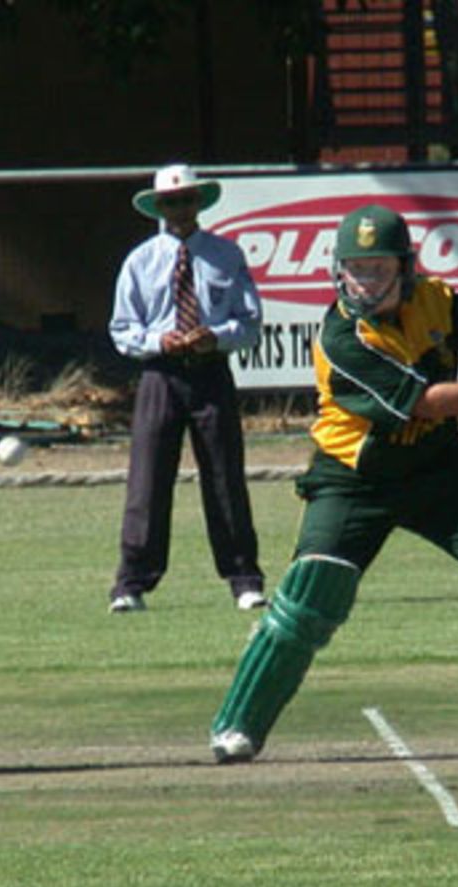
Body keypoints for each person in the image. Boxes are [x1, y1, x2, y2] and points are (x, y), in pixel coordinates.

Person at [209, 204, 458, 762]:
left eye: (378, 269)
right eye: (355, 269)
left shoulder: (434, 298)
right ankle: (238, 724)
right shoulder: (342, 339)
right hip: (356, 479)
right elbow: (426, 402)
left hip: (438, 468)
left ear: (406, 268)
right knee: (311, 594)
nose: (365, 282)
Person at [107, 163, 266, 614]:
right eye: (171, 201)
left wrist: (217, 335)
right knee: (148, 480)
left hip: (211, 372)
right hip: (160, 375)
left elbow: (250, 322)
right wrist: (159, 340)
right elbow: (122, 328)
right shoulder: (140, 261)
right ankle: (131, 583)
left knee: (224, 478)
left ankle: (244, 579)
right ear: (158, 207)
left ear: (200, 202)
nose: (179, 208)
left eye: (186, 199)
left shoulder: (227, 255)